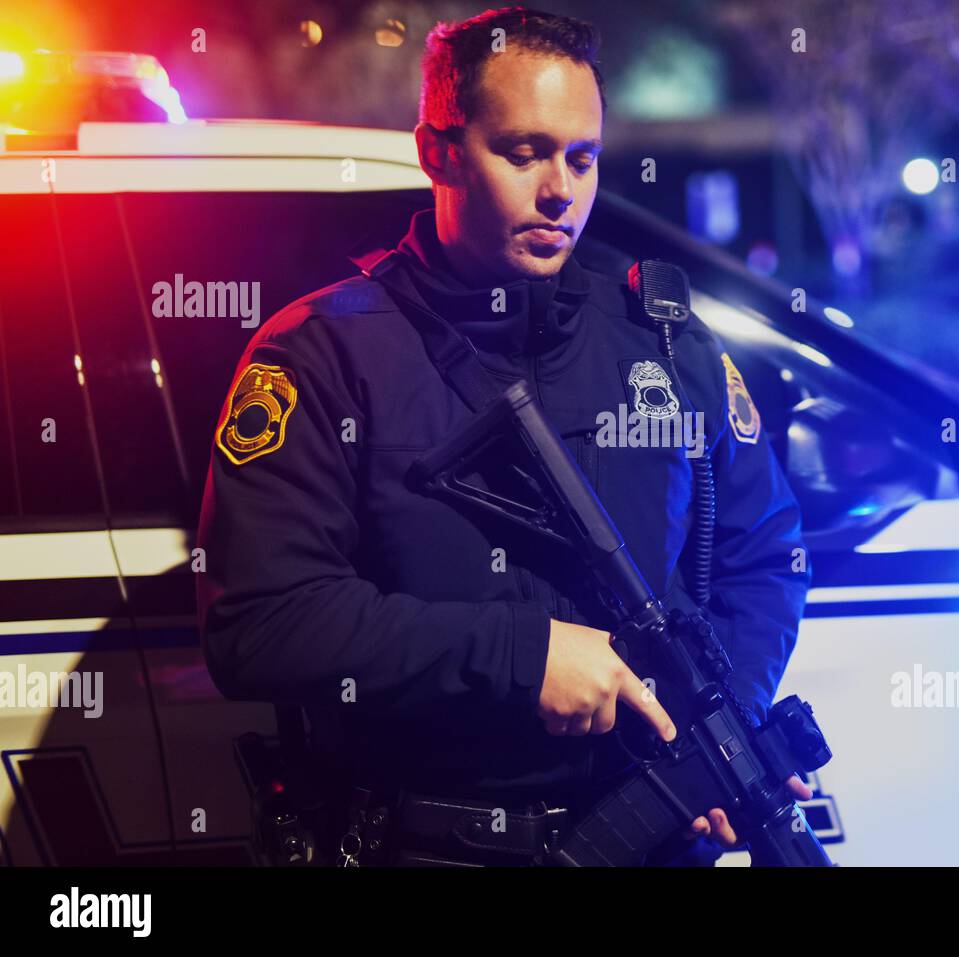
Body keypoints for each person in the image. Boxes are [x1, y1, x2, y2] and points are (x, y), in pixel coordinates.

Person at [196, 5, 811, 867]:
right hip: (422, 844)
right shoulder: (322, 354)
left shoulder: (664, 341)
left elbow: (765, 551)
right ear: (437, 151)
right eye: (522, 153)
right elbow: (261, 624)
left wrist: (718, 739)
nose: (560, 189)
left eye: (583, 157)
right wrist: (524, 658)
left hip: (649, 837)